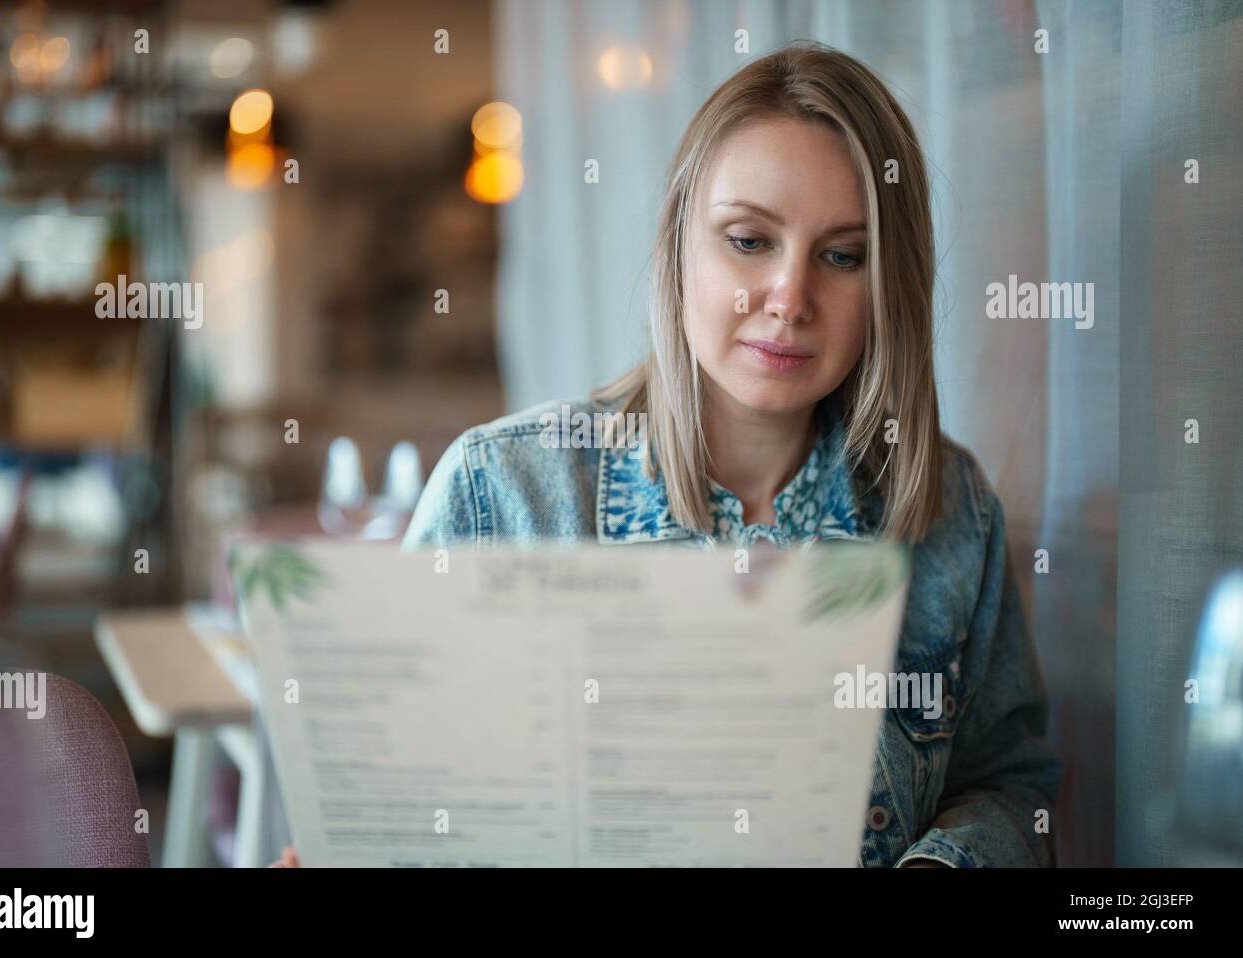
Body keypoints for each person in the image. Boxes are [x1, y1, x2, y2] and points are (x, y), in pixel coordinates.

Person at [274, 41, 1061, 868]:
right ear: (679, 248)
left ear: (886, 284)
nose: (791, 299)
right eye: (749, 241)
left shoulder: (950, 507)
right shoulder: (500, 493)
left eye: (841, 256)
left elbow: (1010, 784)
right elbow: (405, 822)